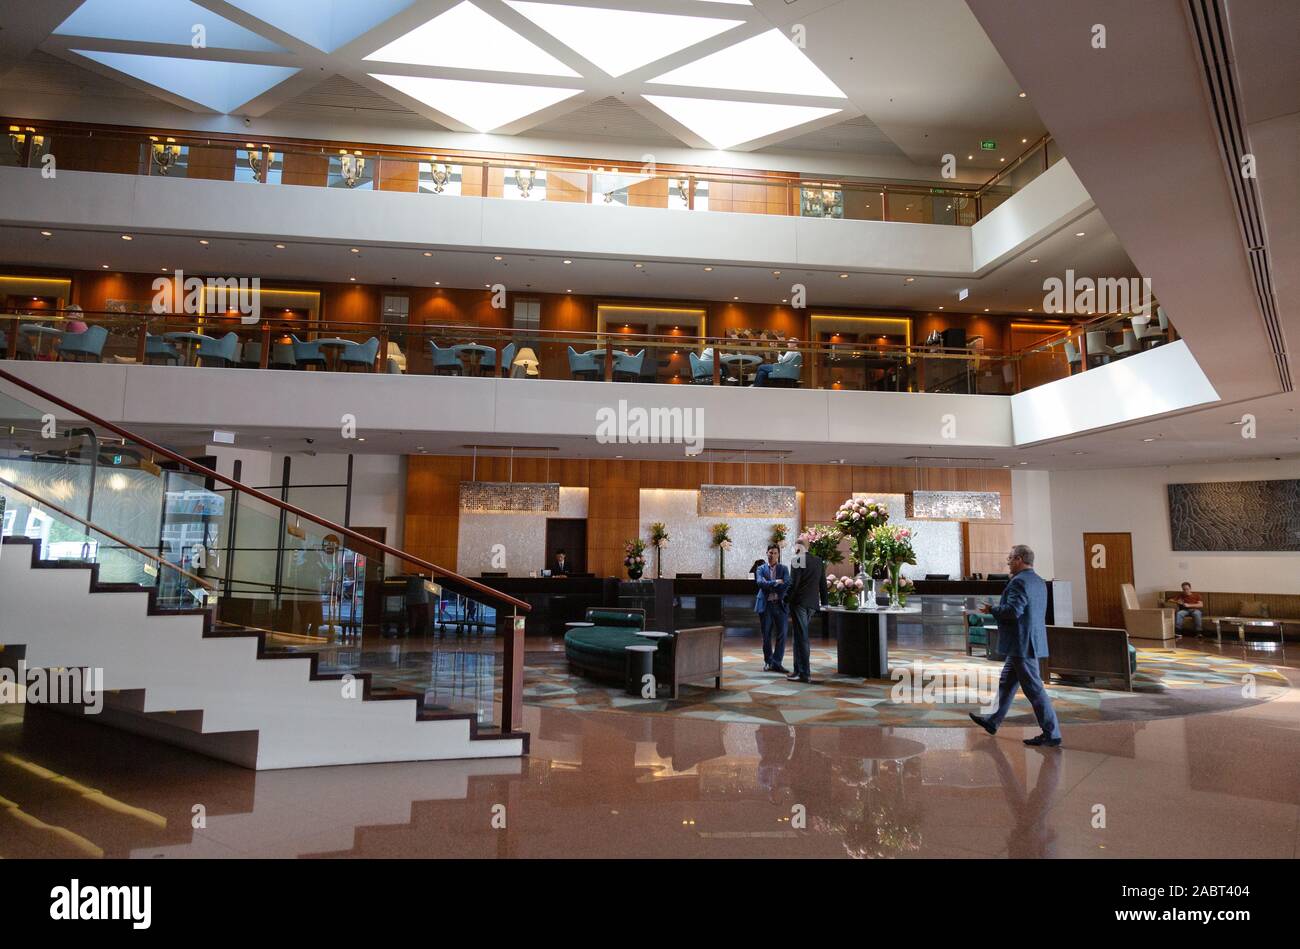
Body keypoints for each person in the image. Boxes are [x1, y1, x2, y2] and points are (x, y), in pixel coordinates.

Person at [968, 544, 1062, 747]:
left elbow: (1013, 611)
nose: (1008, 562)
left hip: (1021, 644)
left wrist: (992, 609)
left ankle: (1051, 732)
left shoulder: (1018, 582)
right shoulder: (1037, 581)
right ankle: (993, 721)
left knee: (1034, 689)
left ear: (1019, 559)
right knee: (1007, 683)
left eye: (1010, 558)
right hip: (1029, 641)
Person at [784, 545, 826, 684]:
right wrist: (824, 603)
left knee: (802, 637)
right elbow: (823, 583)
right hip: (812, 604)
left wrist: (785, 599)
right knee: (798, 636)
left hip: (799, 603)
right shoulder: (818, 560)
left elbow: (793, 584)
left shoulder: (797, 559)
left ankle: (804, 674)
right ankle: (798, 670)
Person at [754, 544, 790, 674]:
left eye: (775, 553)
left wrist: (769, 584)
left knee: (782, 634)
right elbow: (760, 583)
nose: (772, 555)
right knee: (766, 635)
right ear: (766, 553)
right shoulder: (760, 569)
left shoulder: (784, 568)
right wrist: (776, 582)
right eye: (770, 552)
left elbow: (786, 584)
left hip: (780, 605)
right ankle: (768, 662)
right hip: (766, 605)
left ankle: (777, 662)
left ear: (778, 555)